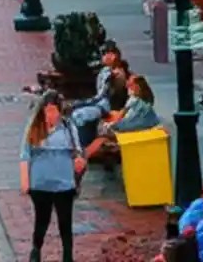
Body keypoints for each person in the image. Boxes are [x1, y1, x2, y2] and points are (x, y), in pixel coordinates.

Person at [19, 91, 84, 262]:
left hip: (63, 183)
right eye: (47, 111)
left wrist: (79, 161)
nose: (51, 115)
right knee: (42, 219)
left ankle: (68, 256)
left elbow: (78, 152)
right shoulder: (34, 128)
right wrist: (25, 182)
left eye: (54, 111)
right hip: (41, 184)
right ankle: (36, 250)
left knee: (65, 222)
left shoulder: (68, 128)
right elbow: (25, 154)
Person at [83, 74, 160, 160]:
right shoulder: (136, 101)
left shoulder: (138, 103)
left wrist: (112, 125)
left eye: (130, 84)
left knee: (102, 138)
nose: (127, 85)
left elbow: (130, 123)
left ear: (137, 87)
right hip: (135, 129)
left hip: (136, 132)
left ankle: (84, 156)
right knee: (103, 135)